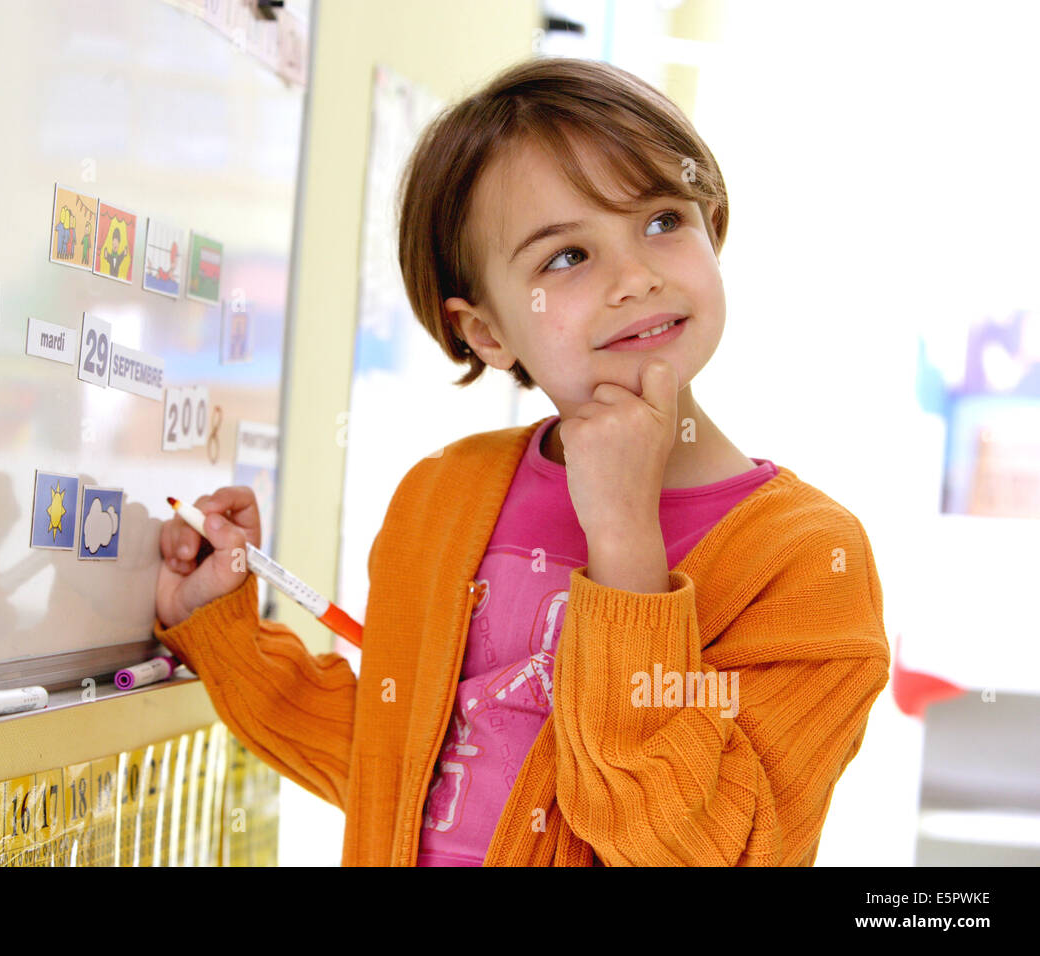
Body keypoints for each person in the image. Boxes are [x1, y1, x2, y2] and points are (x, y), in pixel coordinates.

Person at [151, 57, 890, 866]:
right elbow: (395, 768)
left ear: (713, 229)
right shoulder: (445, 492)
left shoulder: (811, 563)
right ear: (488, 333)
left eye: (663, 220)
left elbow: (701, 849)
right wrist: (215, 626)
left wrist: (624, 543)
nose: (636, 276)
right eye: (566, 257)